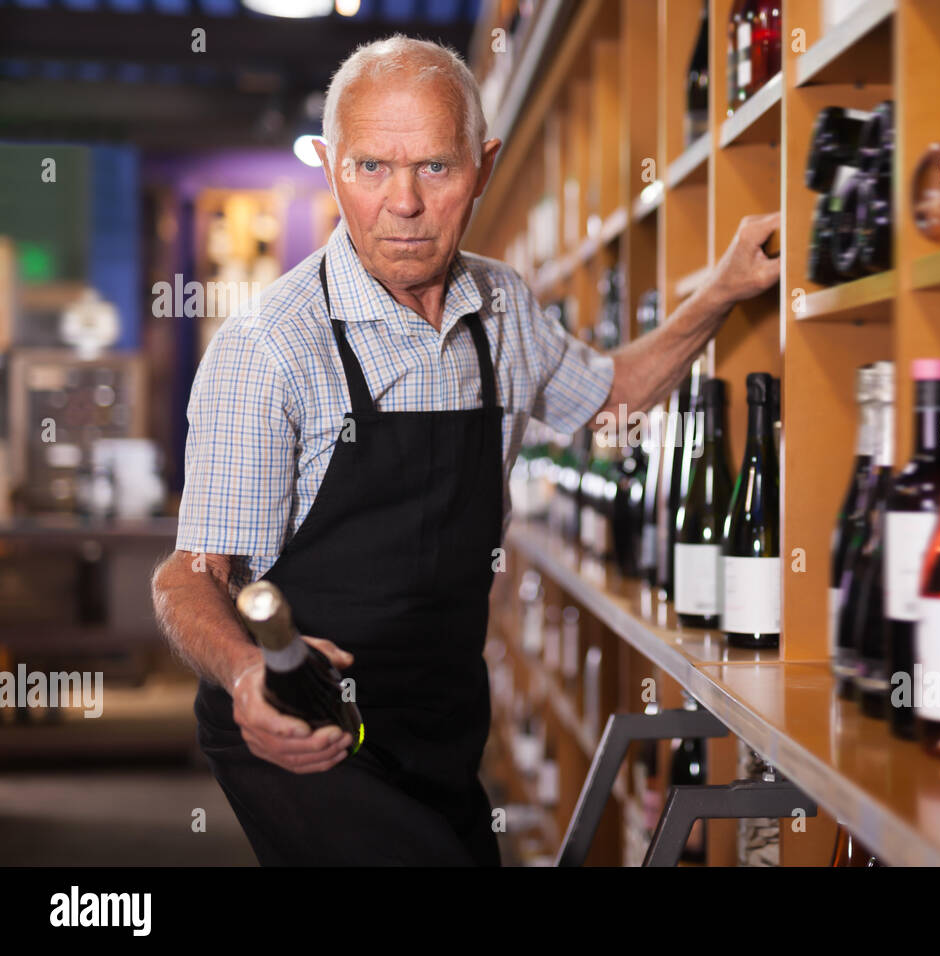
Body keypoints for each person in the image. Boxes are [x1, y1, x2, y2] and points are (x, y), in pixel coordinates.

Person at [151, 34, 780, 866]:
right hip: (298, 724)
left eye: (436, 169)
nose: (403, 203)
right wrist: (243, 676)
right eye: (371, 167)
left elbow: (612, 396)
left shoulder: (504, 307)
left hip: (444, 724)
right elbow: (191, 575)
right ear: (334, 167)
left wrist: (723, 292)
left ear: (482, 166)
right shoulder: (269, 348)